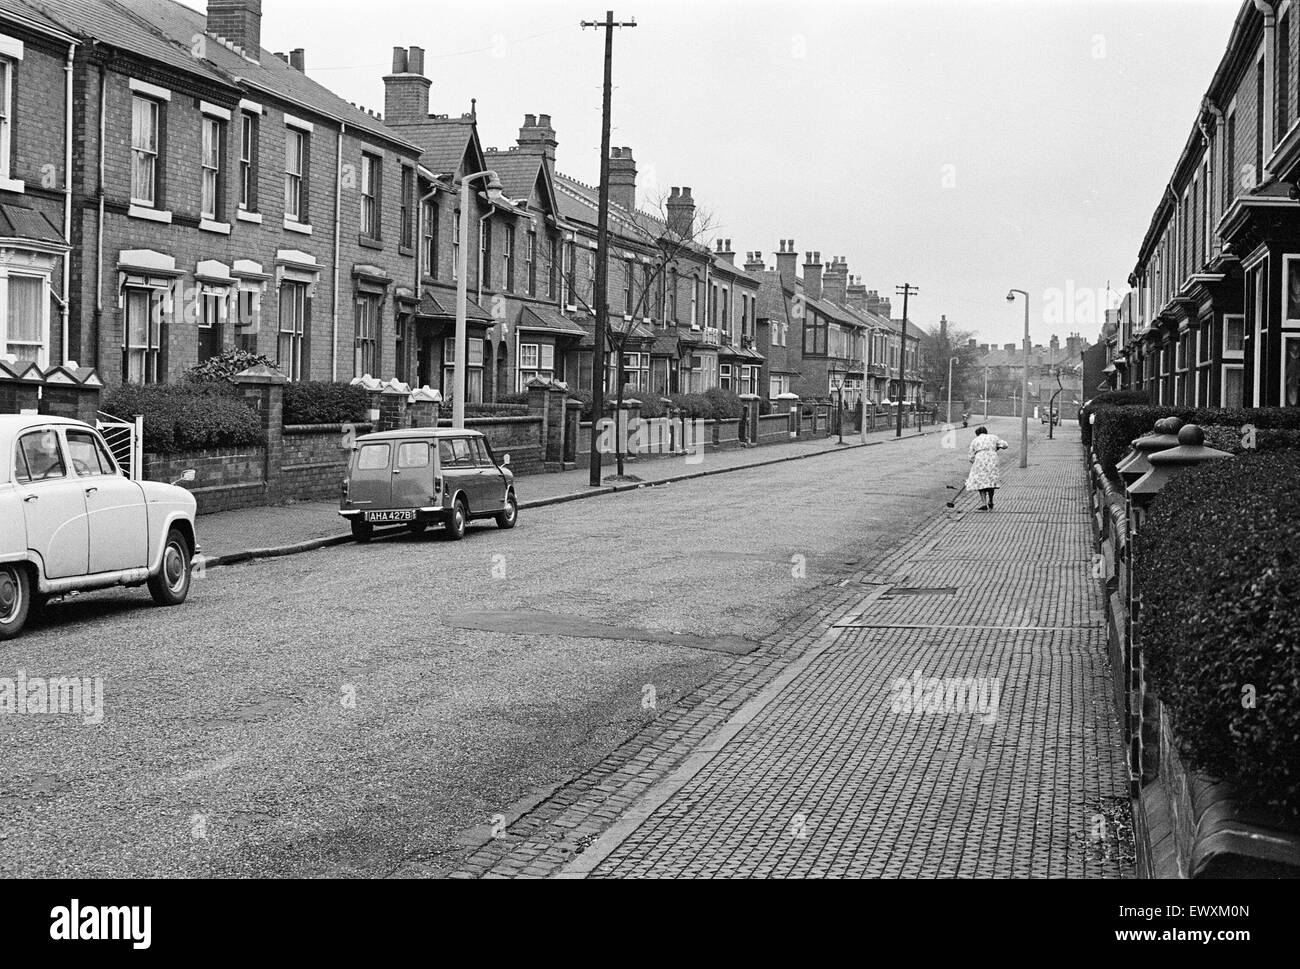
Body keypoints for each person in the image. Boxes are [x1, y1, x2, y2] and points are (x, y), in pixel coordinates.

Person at [966, 425, 1009, 511]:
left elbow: (971, 456)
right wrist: (997, 447)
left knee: (981, 482)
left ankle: (984, 503)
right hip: (992, 459)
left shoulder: (975, 440)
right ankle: (991, 501)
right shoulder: (993, 437)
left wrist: (974, 462)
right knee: (991, 481)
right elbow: (1005, 445)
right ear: (986, 432)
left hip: (980, 460)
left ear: (977, 434)